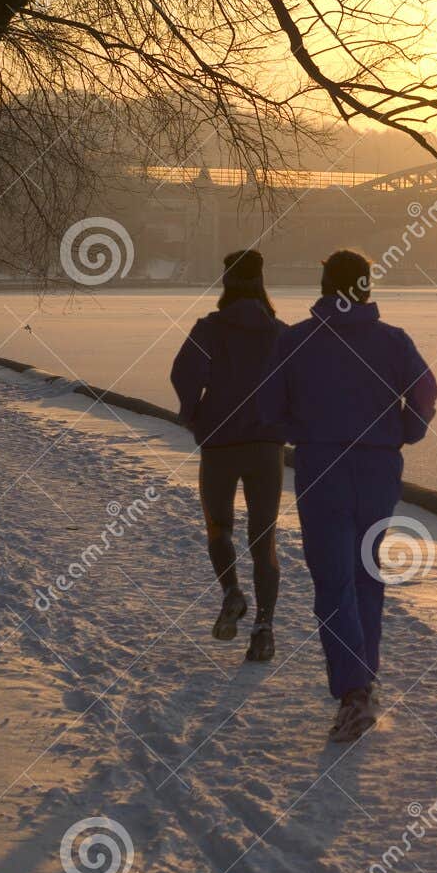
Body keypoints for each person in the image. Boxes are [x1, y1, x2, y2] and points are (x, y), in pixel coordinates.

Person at [272, 250, 437, 743]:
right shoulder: (392, 341)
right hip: (378, 468)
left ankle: (354, 691)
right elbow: (425, 391)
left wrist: (299, 431)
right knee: (366, 573)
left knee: (333, 581)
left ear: (324, 286)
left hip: (323, 467)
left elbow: (268, 405)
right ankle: (364, 678)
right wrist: (405, 430)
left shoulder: (295, 341)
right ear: (366, 287)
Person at [170, 250, 287, 663]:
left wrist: (194, 414)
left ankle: (232, 593)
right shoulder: (280, 333)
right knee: (263, 539)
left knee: (218, 527)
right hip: (266, 447)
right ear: (261, 282)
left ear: (226, 282)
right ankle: (264, 630)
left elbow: (183, 374)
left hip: (220, 443)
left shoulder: (209, 329)